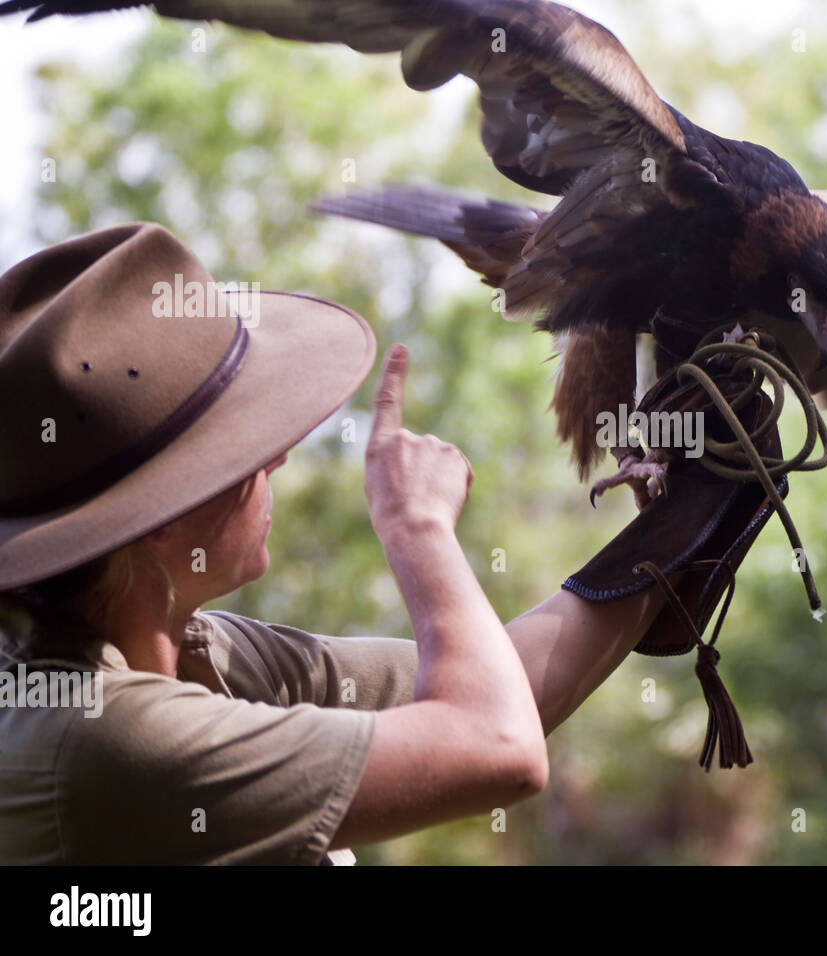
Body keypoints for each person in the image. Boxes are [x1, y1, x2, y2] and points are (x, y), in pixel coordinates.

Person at [0, 222, 673, 864]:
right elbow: (496, 746)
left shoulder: (197, 653)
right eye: (238, 449)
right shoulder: (101, 740)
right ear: (163, 516)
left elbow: (501, 685)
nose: (277, 461)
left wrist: (689, 512)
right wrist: (418, 528)